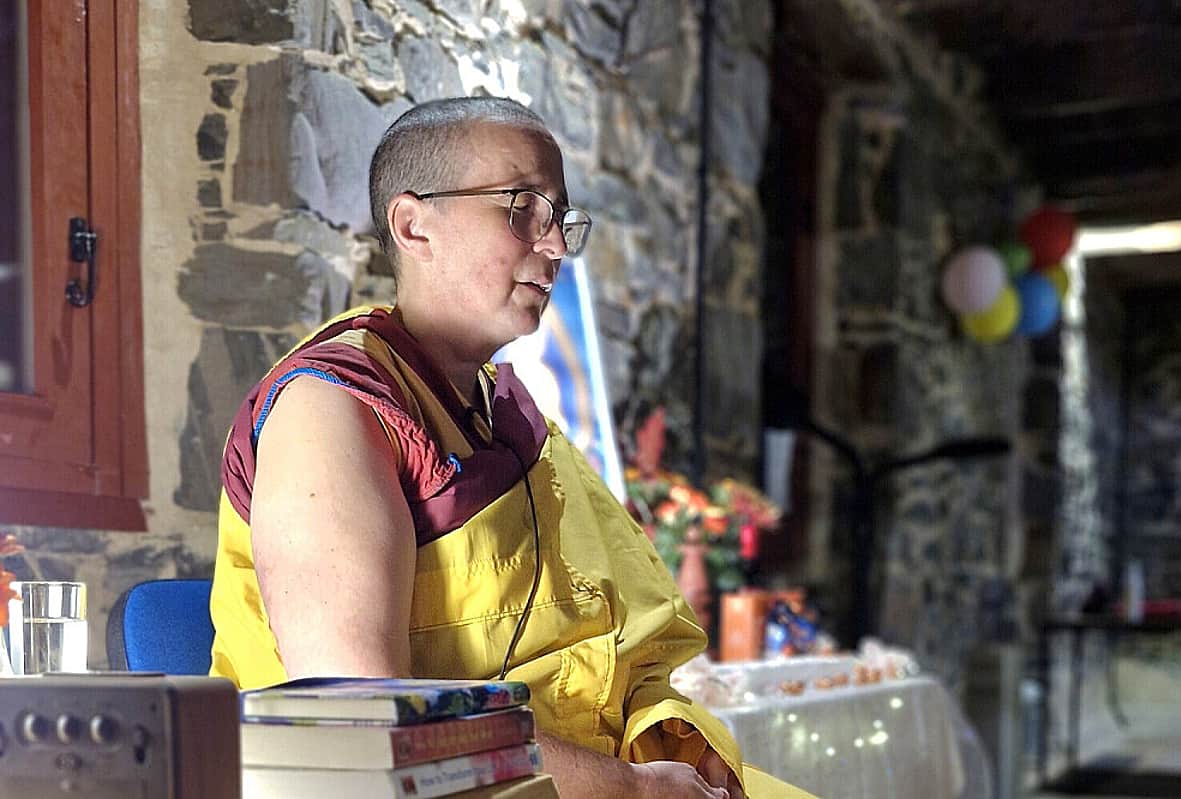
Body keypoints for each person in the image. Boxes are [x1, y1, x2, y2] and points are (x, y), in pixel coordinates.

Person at [210, 97, 811, 799]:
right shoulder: (333, 406)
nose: (554, 246)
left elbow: (607, 634)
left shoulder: (505, 418)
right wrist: (634, 787)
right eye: (523, 209)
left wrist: (667, 740)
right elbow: (362, 718)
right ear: (414, 225)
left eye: (559, 218)